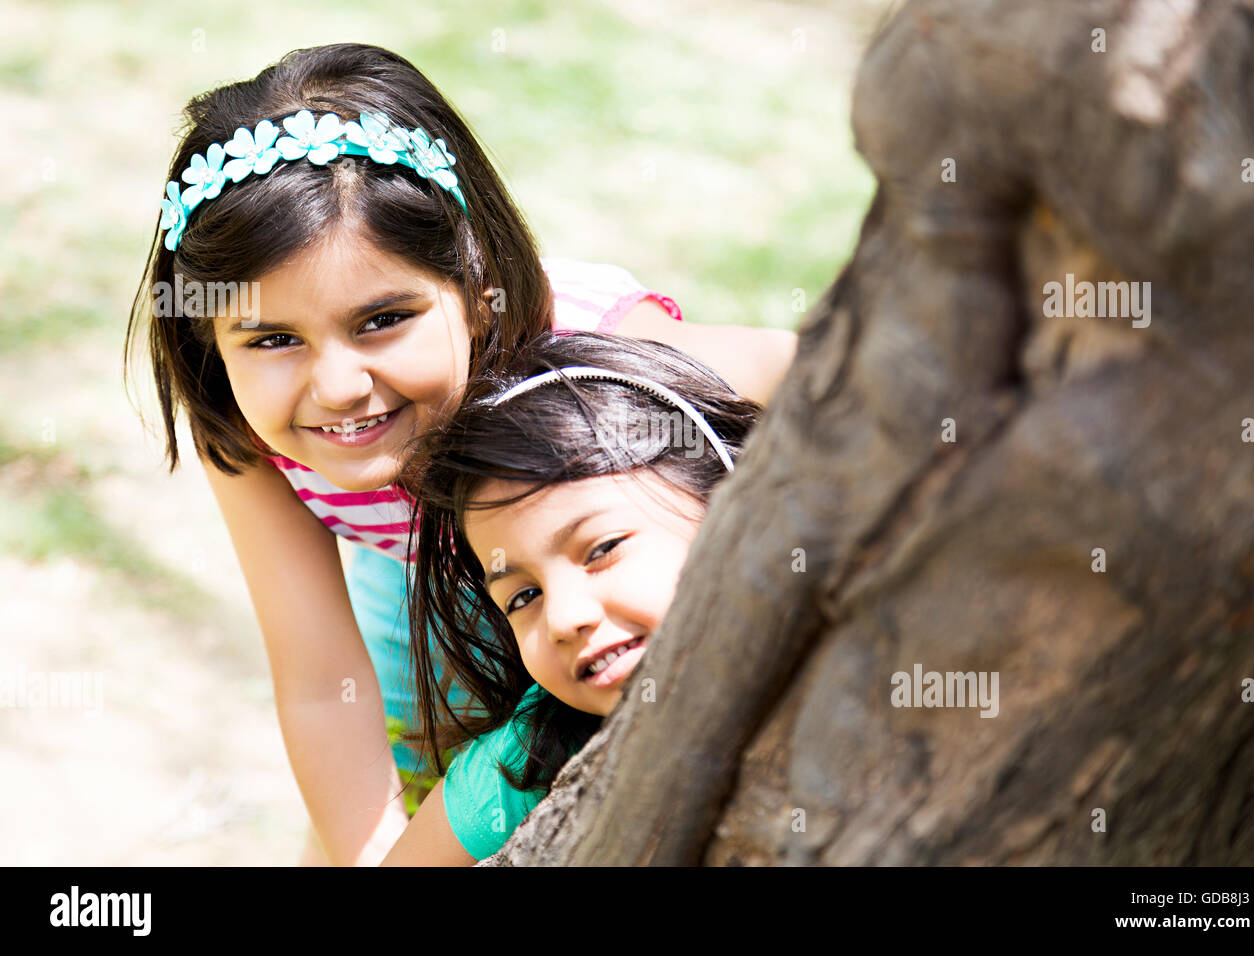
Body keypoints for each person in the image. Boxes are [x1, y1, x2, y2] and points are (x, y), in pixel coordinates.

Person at [125, 42, 796, 865]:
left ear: (479, 293)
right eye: (272, 337)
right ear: (212, 342)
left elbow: (825, 371)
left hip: (615, 576)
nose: (337, 386)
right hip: (417, 584)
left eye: (381, 320)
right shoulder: (244, 426)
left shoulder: (594, 358)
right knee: (410, 800)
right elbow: (318, 681)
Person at [383, 331, 761, 864]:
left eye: (601, 549)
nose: (563, 618)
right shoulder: (526, 763)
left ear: (733, 508)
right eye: (523, 596)